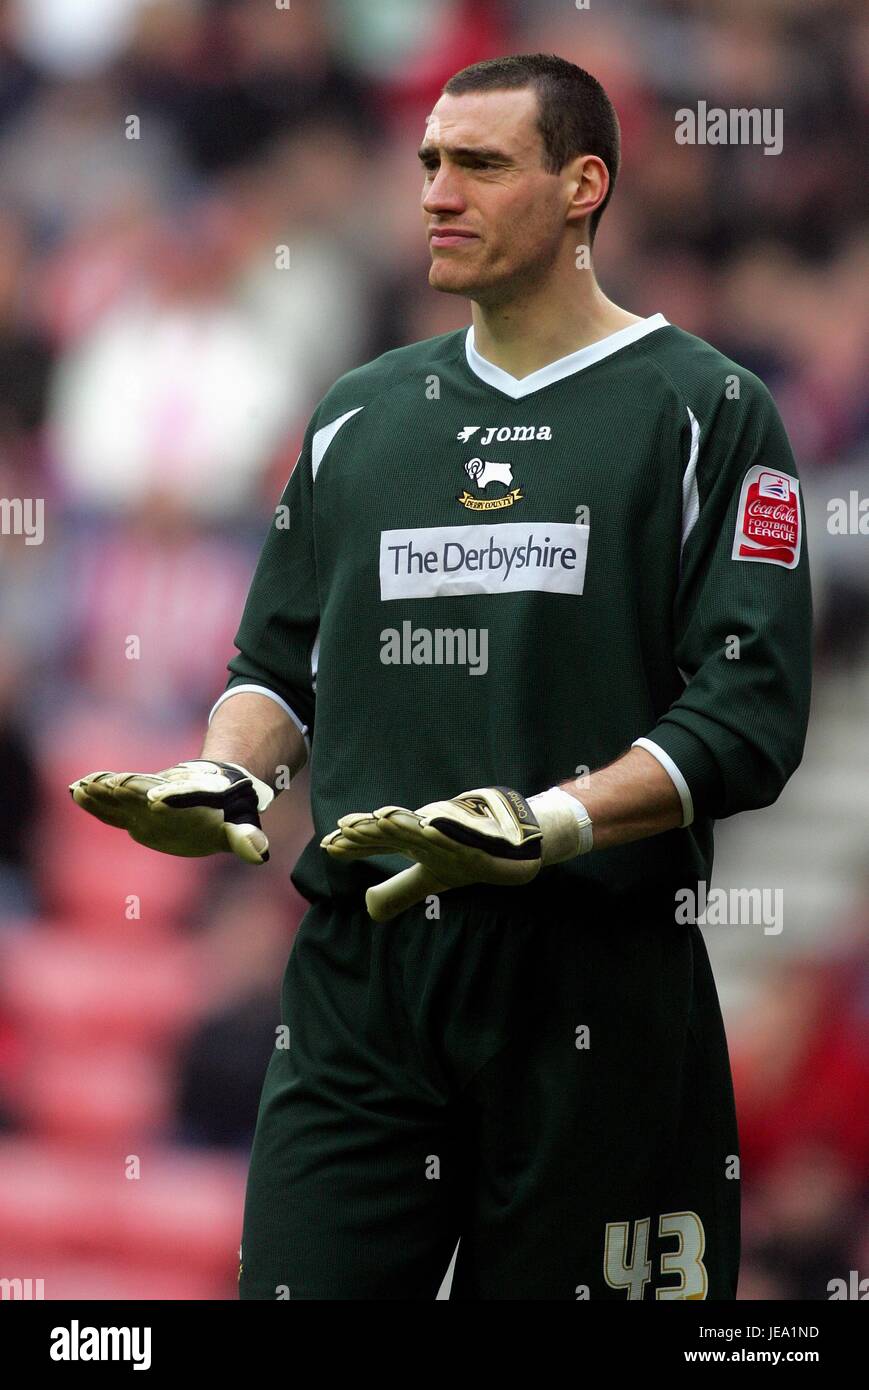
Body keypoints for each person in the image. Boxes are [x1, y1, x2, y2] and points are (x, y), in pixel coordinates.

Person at [70, 54, 812, 1300]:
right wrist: (227, 771)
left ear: (583, 187)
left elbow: (746, 712)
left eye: (476, 164)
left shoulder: (707, 408)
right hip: (366, 979)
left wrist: (550, 821)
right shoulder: (360, 416)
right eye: (426, 163)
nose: (433, 194)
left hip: (594, 973)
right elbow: (276, 668)